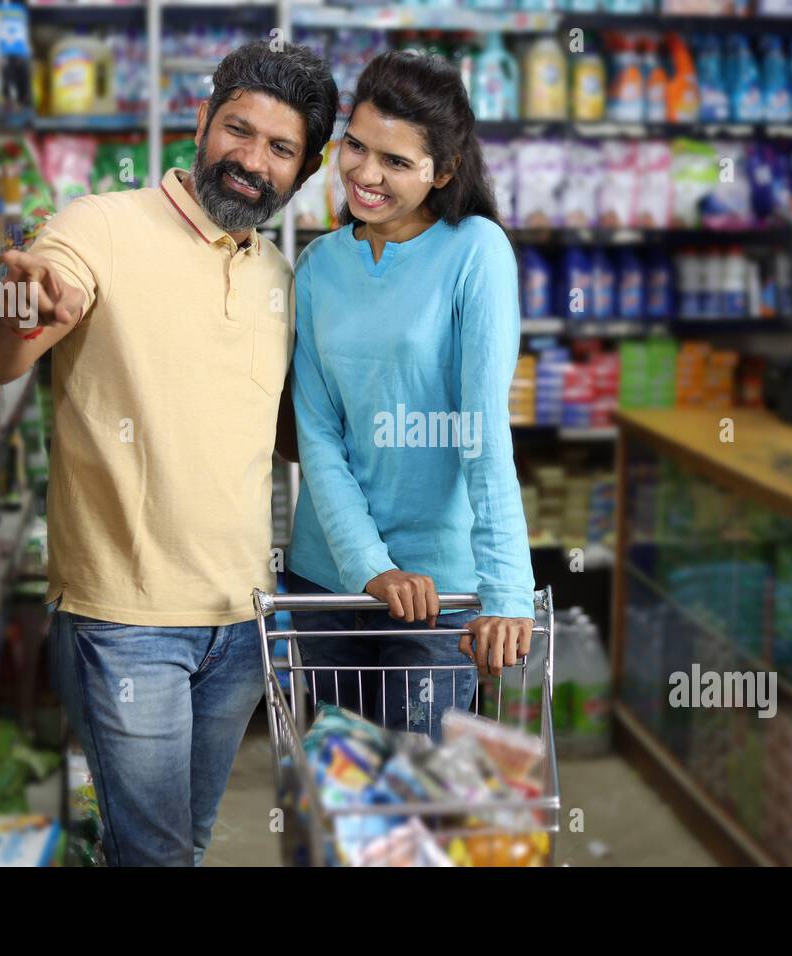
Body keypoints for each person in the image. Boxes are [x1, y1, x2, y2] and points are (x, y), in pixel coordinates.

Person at [0, 41, 338, 866]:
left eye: (279, 149)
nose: (251, 161)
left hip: (242, 621)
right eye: (237, 130)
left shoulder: (280, 276)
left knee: (176, 847)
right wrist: (23, 303)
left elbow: (276, 432)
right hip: (124, 621)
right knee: (159, 856)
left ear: (305, 173)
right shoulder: (99, 225)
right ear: (201, 122)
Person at [285, 51, 535, 740]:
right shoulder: (318, 266)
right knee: (335, 802)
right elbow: (318, 436)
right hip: (326, 577)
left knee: (417, 808)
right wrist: (369, 568)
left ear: (443, 172)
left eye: (396, 162)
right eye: (357, 146)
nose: (365, 173)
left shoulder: (475, 252)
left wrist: (509, 590)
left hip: (438, 588)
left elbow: (483, 431)